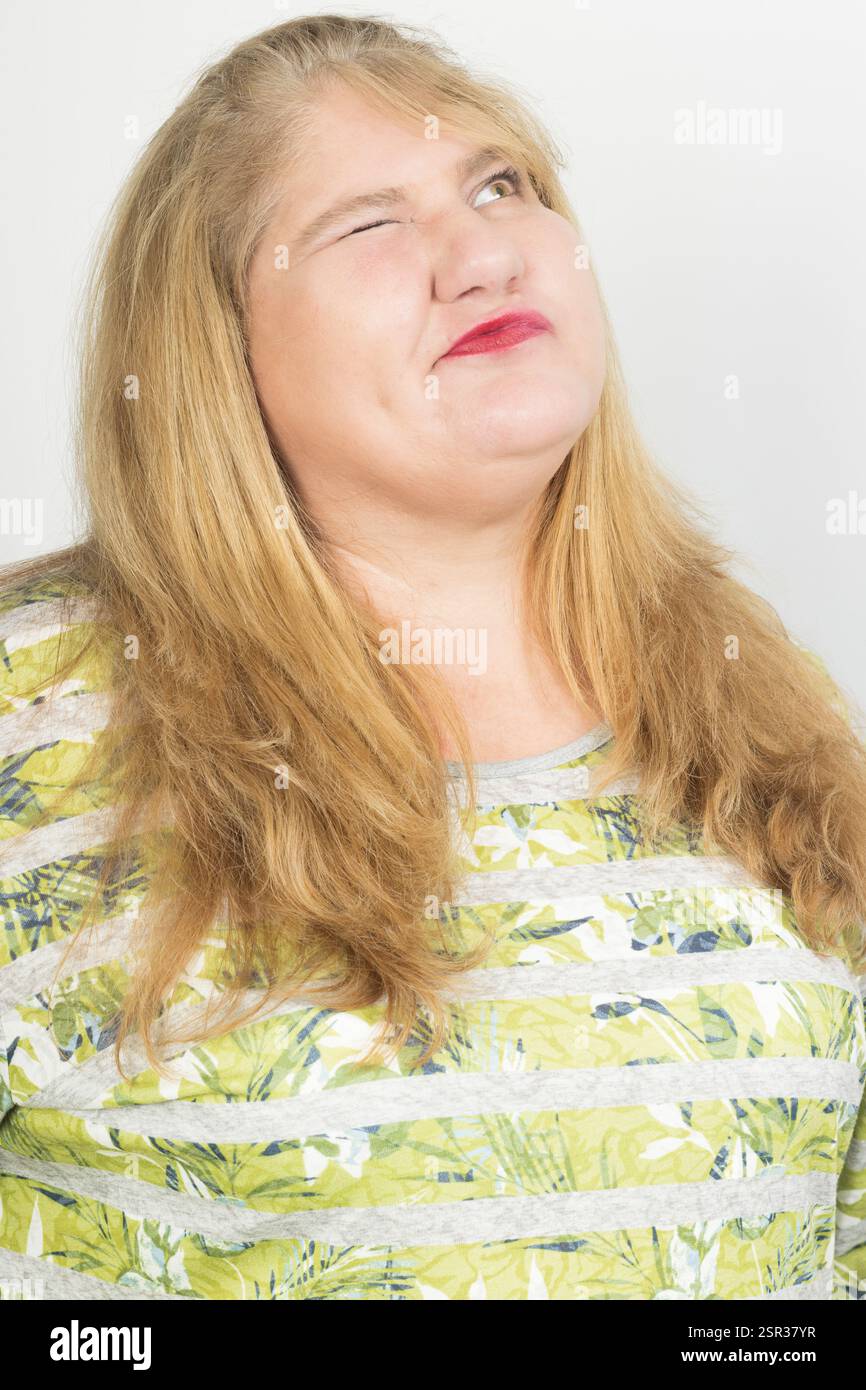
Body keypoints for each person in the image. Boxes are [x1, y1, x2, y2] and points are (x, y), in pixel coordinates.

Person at [1, 12, 864, 1302]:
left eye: (501, 185)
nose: (482, 258)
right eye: (370, 222)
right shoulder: (38, 705)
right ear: (215, 347)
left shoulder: (750, 694)